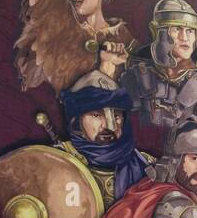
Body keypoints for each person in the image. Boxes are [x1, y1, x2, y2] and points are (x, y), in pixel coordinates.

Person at [121, 0, 197, 136]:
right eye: (177, 29)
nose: (184, 37)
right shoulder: (136, 77)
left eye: (190, 30)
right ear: (156, 31)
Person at [57, 72, 154, 209]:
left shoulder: (146, 165)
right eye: (97, 115)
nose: (110, 126)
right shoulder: (58, 160)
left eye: (117, 115)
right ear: (77, 120)